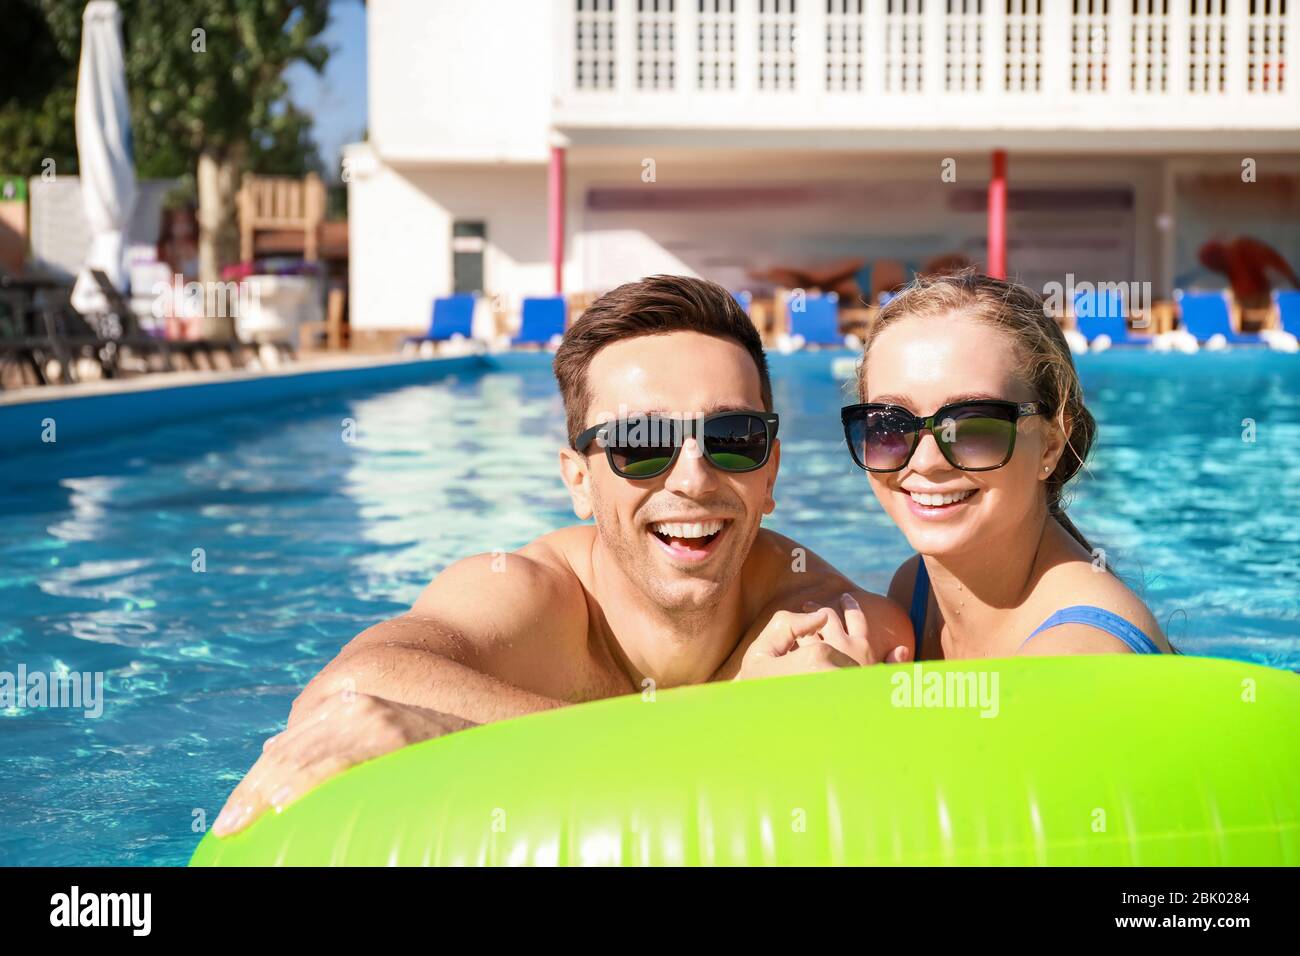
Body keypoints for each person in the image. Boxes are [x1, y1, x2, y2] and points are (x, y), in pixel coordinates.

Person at [214, 275, 912, 836]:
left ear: (771, 473)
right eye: (641, 443)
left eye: (732, 437)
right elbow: (344, 689)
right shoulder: (528, 595)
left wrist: (466, 731)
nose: (694, 477)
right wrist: (725, 713)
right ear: (578, 480)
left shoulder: (815, 613)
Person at [841, 270, 1172, 660]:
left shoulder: (1082, 654)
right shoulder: (915, 588)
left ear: (1051, 444)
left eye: (974, 427)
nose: (927, 462)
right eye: (890, 425)